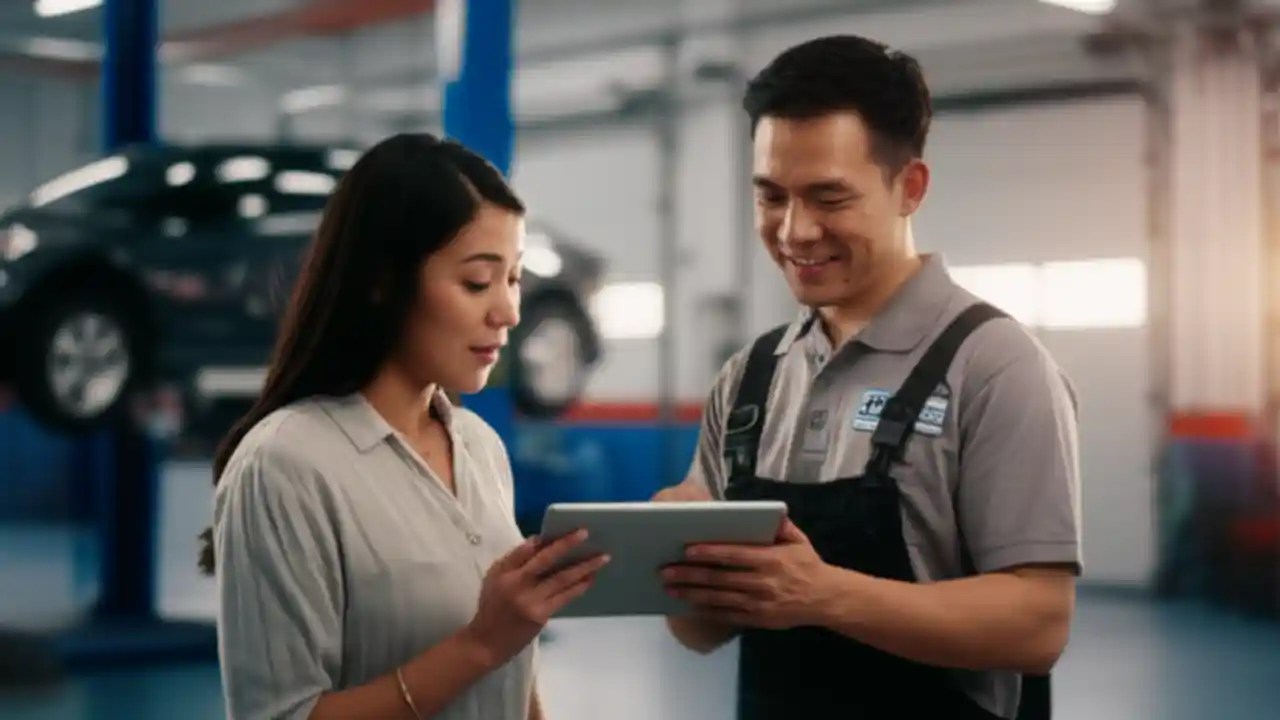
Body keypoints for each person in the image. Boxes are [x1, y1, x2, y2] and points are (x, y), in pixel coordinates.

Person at [654, 35, 1081, 720]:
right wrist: (676, 563)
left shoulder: (996, 366)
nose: (794, 231)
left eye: (828, 197)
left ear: (909, 187)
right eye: (771, 196)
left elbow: (1038, 623)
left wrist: (821, 594)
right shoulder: (749, 380)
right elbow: (699, 633)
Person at [199, 133, 608, 720]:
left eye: (513, 279)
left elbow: (517, 680)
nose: (509, 312)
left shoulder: (479, 448)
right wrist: (480, 645)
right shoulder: (285, 464)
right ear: (383, 281)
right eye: (476, 282)